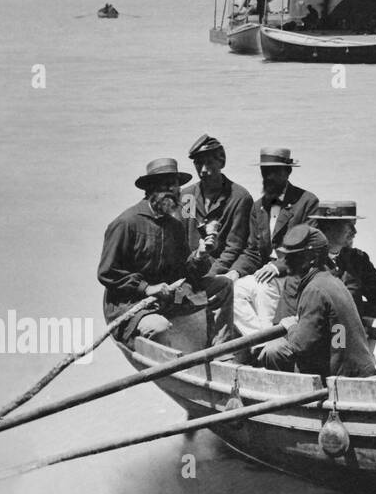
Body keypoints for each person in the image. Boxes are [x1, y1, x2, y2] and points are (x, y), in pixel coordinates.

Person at [98, 158, 235, 343]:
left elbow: (184, 272)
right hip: (131, 304)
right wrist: (145, 288)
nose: (174, 191)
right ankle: (165, 368)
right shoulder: (125, 224)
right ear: (151, 189)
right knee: (159, 327)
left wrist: (200, 255)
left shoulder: (175, 226)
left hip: (167, 297)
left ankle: (220, 353)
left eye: (177, 186)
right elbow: (107, 273)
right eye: (167, 185)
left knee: (223, 285)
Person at [255, 226, 376, 378]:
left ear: (312, 258)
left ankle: (295, 401)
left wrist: (291, 326)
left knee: (273, 350)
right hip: (351, 369)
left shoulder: (314, 289)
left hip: (341, 378)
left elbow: (301, 345)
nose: (285, 262)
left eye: (293, 257)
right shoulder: (330, 281)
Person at [226, 147, 318, 336]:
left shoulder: (307, 202)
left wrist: (277, 267)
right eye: (265, 171)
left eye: (275, 171)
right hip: (265, 273)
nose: (268, 177)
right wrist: (234, 272)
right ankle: (260, 343)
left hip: (295, 273)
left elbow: (310, 247)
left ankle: (270, 346)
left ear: (288, 171)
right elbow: (252, 251)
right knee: (235, 290)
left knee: (263, 288)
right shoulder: (258, 207)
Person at [310, 201, 376, 314]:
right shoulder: (304, 261)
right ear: (328, 226)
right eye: (349, 225)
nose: (355, 231)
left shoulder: (357, 260)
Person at [182, 135, 253, 276]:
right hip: (190, 268)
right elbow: (180, 241)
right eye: (198, 163)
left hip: (222, 272)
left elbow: (233, 248)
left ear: (221, 161)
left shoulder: (239, 197)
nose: (203, 170)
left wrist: (211, 277)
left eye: (208, 163)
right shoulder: (186, 196)